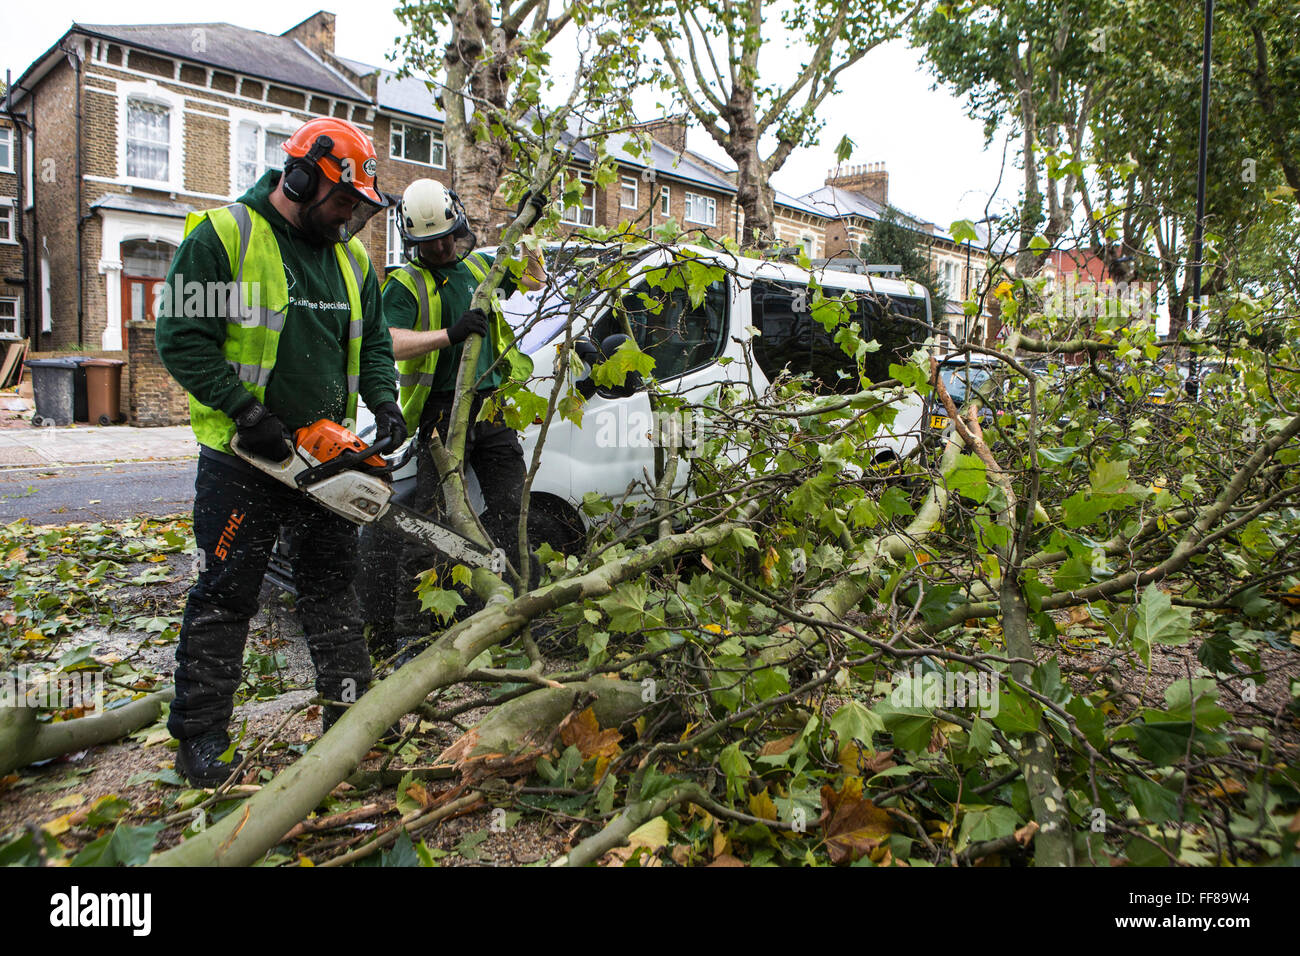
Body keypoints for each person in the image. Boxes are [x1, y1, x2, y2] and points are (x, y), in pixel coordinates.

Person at [155, 116, 408, 787]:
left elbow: (375, 344)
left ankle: (349, 723)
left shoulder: (352, 260)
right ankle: (201, 739)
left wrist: (385, 402)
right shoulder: (225, 237)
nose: (350, 217)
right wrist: (244, 409)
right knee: (226, 594)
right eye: (342, 202)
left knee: (332, 591)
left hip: (326, 461)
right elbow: (180, 337)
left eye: (358, 206)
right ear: (300, 179)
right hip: (245, 458)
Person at [371, 180, 545, 647]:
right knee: (430, 521)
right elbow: (388, 340)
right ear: (414, 243)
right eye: (431, 243)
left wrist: (528, 228)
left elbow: (534, 279)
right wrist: (450, 334)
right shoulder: (406, 283)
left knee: (513, 510)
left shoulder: (478, 266)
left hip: (493, 406)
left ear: (459, 227)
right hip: (441, 416)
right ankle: (412, 632)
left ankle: (523, 612)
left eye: (448, 237)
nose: (443, 247)